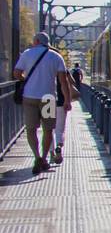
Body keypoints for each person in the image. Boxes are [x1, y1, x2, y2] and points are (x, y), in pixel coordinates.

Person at [12, 31, 69, 174]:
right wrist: (67, 100)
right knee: (48, 129)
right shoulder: (56, 57)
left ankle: (37, 157)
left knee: (31, 129)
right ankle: (44, 158)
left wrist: (26, 80)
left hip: (29, 97)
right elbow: (63, 82)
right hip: (48, 98)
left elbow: (17, 73)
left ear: (36, 41)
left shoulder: (27, 54)